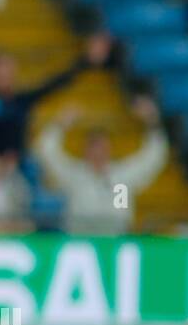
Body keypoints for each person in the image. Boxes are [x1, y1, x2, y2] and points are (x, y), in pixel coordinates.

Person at [34, 97, 168, 235]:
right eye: (94, 147)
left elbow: (154, 156)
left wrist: (152, 121)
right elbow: (46, 151)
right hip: (81, 242)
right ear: (85, 150)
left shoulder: (122, 176)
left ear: (110, 149)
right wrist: (60, 124)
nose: (98, 152)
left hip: (115, 241)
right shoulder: (72, 174)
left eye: (103, 147)